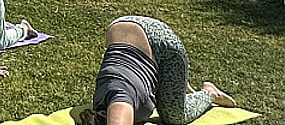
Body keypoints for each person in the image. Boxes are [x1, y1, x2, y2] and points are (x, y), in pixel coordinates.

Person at [78, 16, 235, 125]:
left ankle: (210, 93)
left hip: (160, 41)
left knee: (174, 116)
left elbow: (120, 109)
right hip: (120, 27)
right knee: (143, 77)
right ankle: (177, 86)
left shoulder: (121, 102)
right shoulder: (100, 103)